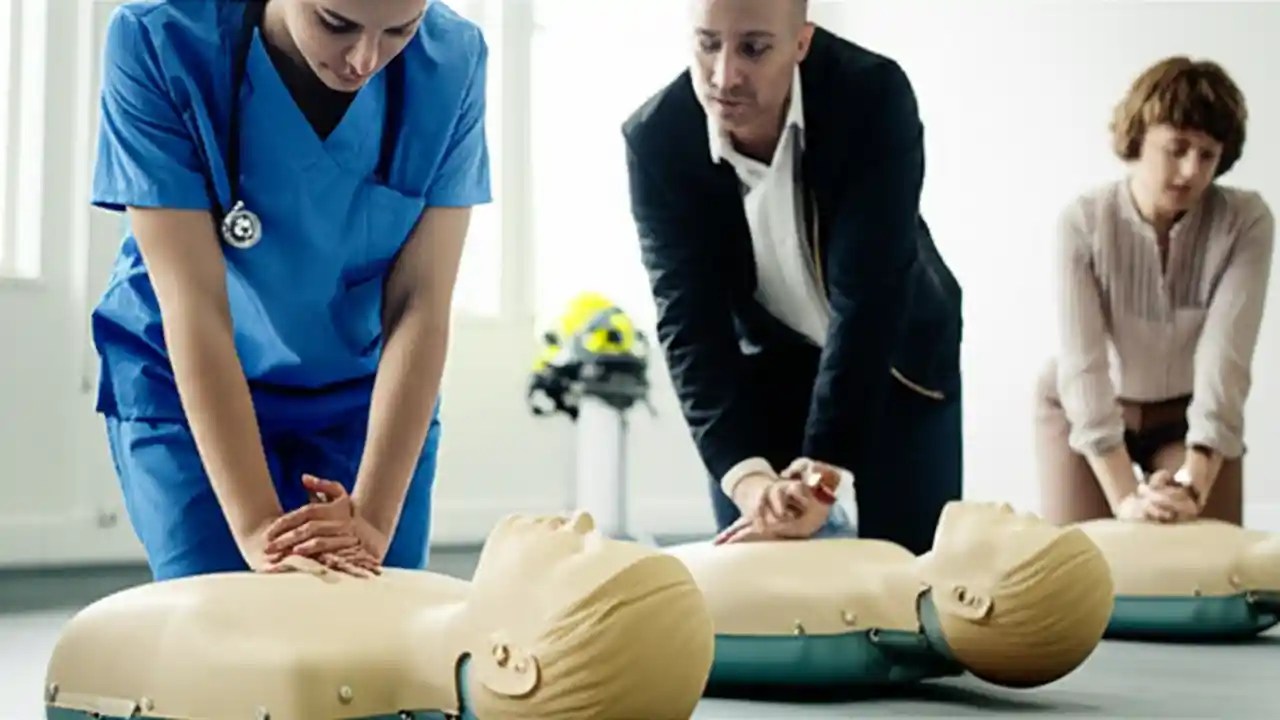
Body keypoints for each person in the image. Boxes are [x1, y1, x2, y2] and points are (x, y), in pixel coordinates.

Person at [89, 0, 490, 581]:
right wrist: (257, 528)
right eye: (336, 23)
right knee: (229, 633)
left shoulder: (454, 59)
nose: (365, 59)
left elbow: (420, 305)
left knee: (375, 638)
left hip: (361, 389)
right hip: (185, 379)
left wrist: (373, 517)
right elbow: (193, 306)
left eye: (401, 29)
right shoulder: (159, 41)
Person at [620, 0, 963, 555]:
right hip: (764, 365)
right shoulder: (657, 138)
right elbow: (688, 323)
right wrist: (748, 479)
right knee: (757, 579)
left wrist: (824, 475)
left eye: (753, 48)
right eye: (708, 43)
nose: (724, 76)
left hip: (894, 358)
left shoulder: (872, 95)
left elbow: (869, 294)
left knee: (912, 581)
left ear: (801, 43)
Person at [1036, 56, 1274, 527]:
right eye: (1177, 148)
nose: (1190, 171)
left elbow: (1225, 359)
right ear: (1140, 137)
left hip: (1188, 414)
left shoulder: (1246, 222)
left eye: (1207, 155)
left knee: (1211, 570)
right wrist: (1127, 498)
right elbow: (1085, 367)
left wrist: (1192, 484)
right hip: (1086, 408)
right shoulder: (1083, 223)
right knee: (1080, 569)